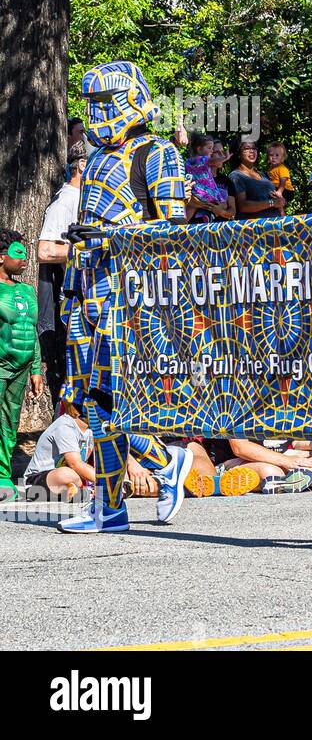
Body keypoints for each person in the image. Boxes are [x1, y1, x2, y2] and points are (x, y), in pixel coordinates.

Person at [59, 61, 194, 533]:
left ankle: (161, 463)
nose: (99, 113)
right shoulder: (92, 160)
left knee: (115, 396)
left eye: (107, 102)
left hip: (128, 292)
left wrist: (117, 233)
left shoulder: (157, 153)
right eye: (93, 104)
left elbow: (175, 231)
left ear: (133, 101)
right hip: (84, 287)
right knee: (89, 402)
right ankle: (113, 507)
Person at [35, 136, 86, 411]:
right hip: (72, 303)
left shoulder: (87, 198)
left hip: (92, 299)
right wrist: (85, 250)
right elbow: (44, 251)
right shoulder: (65, 200)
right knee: (75, 374)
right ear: (81, 164)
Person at [0, 231, 43, 501]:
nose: (25, 259)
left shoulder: (27, 290)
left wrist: (37, 370)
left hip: (22, 367)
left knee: (9, 422)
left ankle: (3, 476)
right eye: (18, 254)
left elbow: (33, 331)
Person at [23, 397, 94, 501]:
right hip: (37, 481)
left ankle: (78, 492)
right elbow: (76, 464)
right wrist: (104, 483)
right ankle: (83, 491)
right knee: (66, 474)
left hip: (74, 478)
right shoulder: (65, 426)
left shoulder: (90, 430)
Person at [228, 139, 285, 219]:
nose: (252, 151)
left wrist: (284, 219)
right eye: (247, 148)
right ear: (238, 154)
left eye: (254, 148)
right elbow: (243, 206)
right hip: (255, 228)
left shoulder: (263, 174)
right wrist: (271, 203)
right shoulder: (236, 176)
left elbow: (277, 202)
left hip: (276, 225)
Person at [183, 130, 231, 223]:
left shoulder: (188, 161)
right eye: (209, 148)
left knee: (191, 209)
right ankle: (210, 215)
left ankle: (181, 224)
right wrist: (224, 158)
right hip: (207, 191)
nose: (211, 151)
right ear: (199, 149)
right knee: (223, 203)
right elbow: (213, 161)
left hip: (195, 191)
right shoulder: (203, 159)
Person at [266, 141, 293, 215]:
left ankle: (282, 216)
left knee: (278, 201)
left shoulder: (282, 168)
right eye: (271, 155)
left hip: (286, 190)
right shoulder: (271, 169)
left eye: (277, 155)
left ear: (283, 158)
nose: (274, 157)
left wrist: (280, 192)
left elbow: (283, 180)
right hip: (277, 188)